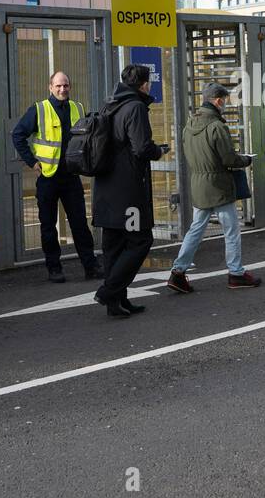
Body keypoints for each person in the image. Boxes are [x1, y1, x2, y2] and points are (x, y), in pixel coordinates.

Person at [165, 83, 260, 293]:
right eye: (224, 101)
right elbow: (228, 158)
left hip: (199, 184)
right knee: (232, 231)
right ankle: (236, 273)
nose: (225, 104)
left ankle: (178, 272)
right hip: (219, 187)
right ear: (218, 101)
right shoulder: (217, 127)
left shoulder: (189, 125)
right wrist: (245, 160)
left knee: (195, 230)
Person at [11, 71, 103, 283]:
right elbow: (18, 135)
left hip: (71, 176)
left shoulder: (77, 108)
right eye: (59, 86)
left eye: (66, 86)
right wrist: (32, 161)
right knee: (48, 225)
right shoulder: (39, 109)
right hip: (48, 177)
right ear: (50, 87)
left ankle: (90, 266)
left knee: (80, 223)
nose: (63, 89)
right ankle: (54, 268)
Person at [91, 64, 166, 318]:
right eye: (149, 82)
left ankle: (117, 303)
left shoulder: (109, 105)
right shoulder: (135, 108)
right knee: (140, 240)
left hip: (105, 187)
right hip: (128, 191)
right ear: (143, 84)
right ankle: (109, 291)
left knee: (113, 245)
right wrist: (160, 150)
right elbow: (141, 148)